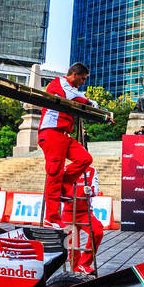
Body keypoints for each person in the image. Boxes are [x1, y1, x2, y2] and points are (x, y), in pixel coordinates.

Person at [40, 63, 93, 223]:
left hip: (63, 135)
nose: (83, 82)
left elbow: (78, 97)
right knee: (54, 173)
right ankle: (52, 218)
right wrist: (90, 103)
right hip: (52, 133)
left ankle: (63, 184)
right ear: (75, 74)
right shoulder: (59, 83)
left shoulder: (70, 88)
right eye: (82, 79)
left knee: (85, 159)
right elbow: (77, 98)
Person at [60, 164, 102, 273]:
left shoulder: (92, 170)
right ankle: (75, 269)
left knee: (97, 231)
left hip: (85, 213)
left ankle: (83, 264)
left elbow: (96, 190)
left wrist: (90, 191)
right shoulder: (66, 169)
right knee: (73, 244)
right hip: (68, 212)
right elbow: (58, 188)